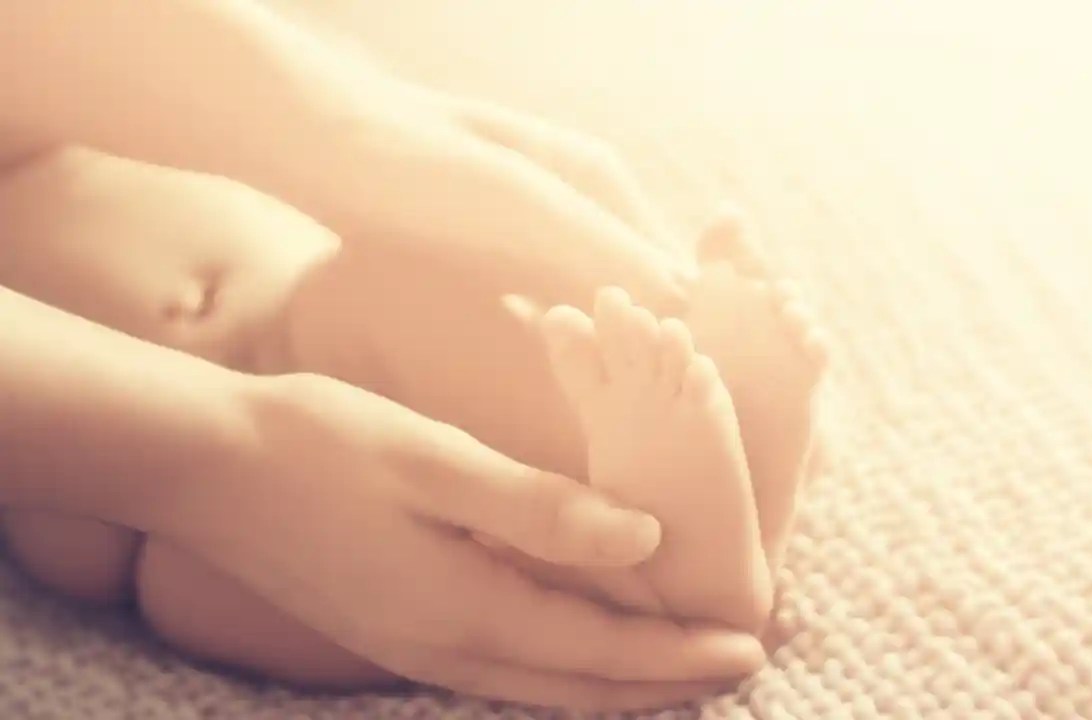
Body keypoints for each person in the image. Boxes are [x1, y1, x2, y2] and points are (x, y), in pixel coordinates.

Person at [0, 0, 826, 712]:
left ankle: (697, 487)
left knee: (400, 288)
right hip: (120, 513)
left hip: (299, 309)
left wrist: (380, 132)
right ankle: (697, 545)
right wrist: (208, 458)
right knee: (201, 598)